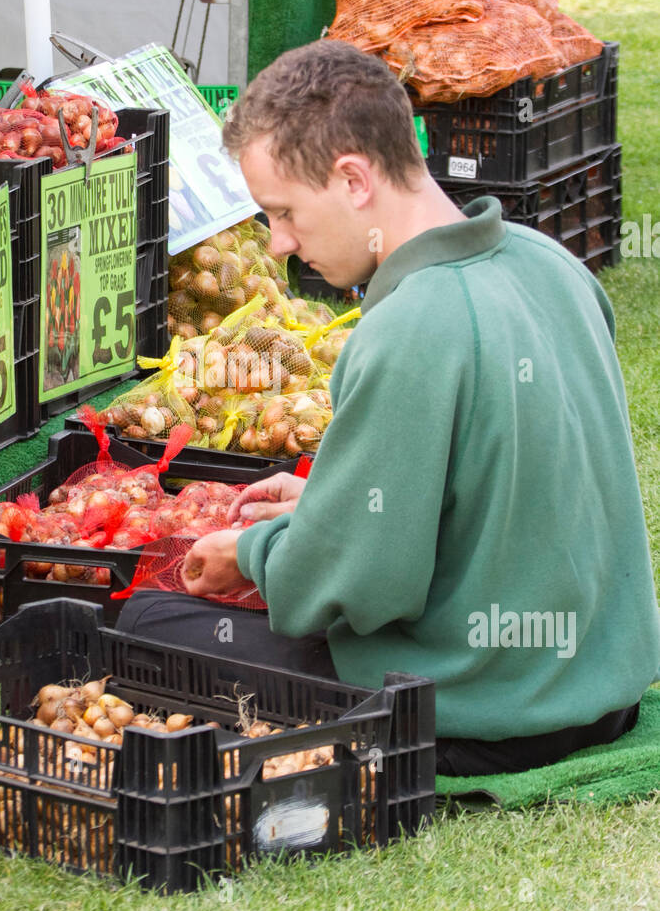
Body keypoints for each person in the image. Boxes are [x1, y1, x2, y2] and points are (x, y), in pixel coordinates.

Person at [117, 40, 659, 776]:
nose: (279, 245)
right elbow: (507, 483)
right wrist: (328, 501)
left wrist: (252, 553)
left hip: (484, 707)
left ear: (353, 180)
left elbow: (357, 591)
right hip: (602, 687)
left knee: (148, 625)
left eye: (284, 212)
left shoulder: (407, 326)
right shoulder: (552, 263)